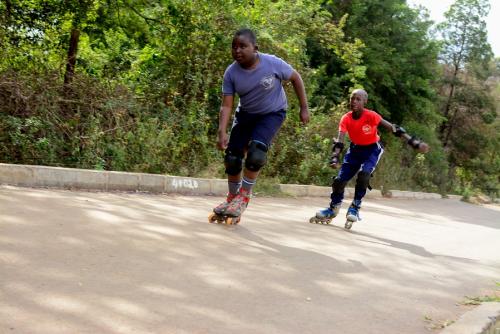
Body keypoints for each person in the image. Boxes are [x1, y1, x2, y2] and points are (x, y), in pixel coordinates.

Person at [213, 28, 309, 219]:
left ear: (255, 48)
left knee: (256, 153)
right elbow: (227, 105)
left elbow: (296, 77)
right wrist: (221, 131)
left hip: (272, 113)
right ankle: (233, 197)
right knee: (232, 158)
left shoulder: (272, 63)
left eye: (243, 46)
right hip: (246, 114)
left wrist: (304, 107)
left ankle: (244, 196)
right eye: (234, 47)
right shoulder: (231, 73)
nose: (237, 50)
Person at [311, 88, 429, 227]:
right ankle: (333, 208)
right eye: (352, 98)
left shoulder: (371, 116)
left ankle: (355, 206)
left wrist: (414, 142)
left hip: (372, 149)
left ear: (364, 102)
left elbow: (394, 129)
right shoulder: (346, 118)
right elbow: (340, 140)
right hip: (354, 150)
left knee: (364, 175)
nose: (354, 101)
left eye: (358, 99)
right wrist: (335, 156)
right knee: (339, 181)